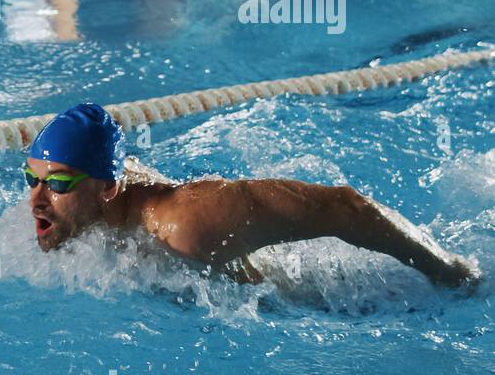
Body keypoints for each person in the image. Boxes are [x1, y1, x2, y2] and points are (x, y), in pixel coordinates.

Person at [24, 103, 478, 287]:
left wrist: (449, 270)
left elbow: (347, 206)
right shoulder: (84, 203)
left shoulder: (186, 224)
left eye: (57, 183)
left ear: (108, 188)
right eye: (31, 179)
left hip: (316, 304)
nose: (35, 200)